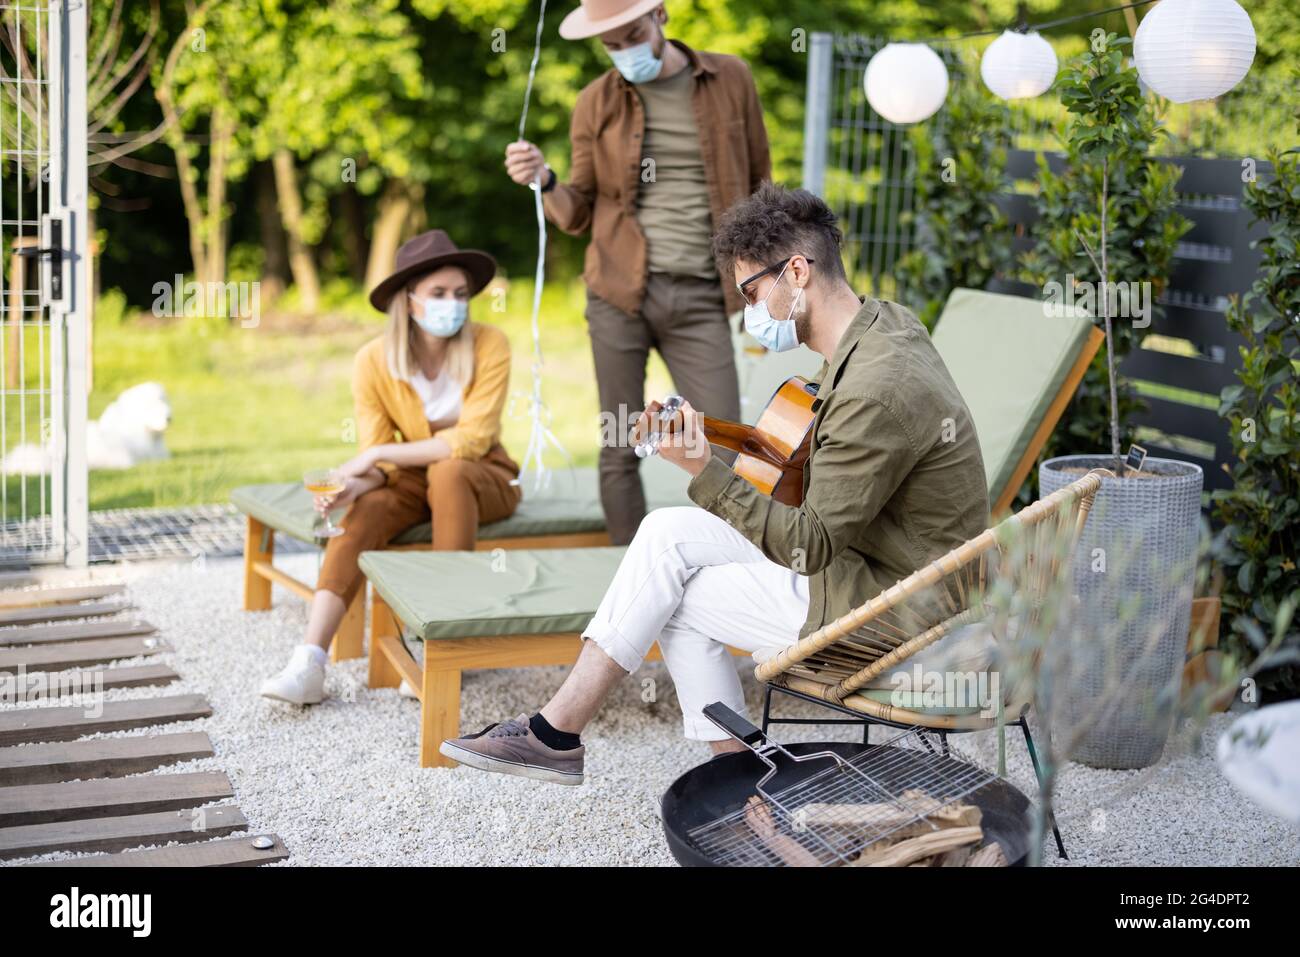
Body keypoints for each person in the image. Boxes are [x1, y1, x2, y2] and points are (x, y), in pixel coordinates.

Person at [440, 184, 991, 785]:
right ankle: (560, 733)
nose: (748, 310)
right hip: (875, 559)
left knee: (676, 599)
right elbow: (819, 454)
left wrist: (702, 469)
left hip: (895, 608)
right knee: (666, 533)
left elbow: (809, 543)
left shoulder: (876, 389)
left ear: (798, 272)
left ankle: (731, 775)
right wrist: (713, 440)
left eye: (752, 291)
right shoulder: (883, 325)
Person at [504, 0, 771, 544]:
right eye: (611, 44)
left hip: (703, 294)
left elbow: (761, 182)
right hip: (618, 296)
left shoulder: (731, 78)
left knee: (724, 440)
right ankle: (631, 574)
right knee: (620, 439)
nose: (625, 52)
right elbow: (576, 213)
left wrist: (763, 281)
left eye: (632, 35)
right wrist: (545, 180)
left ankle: (727, 562)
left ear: (662, 17)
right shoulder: (594, 103)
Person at [259, 230, 522, 705]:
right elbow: (378, 453)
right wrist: (353, 483)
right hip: (409, 482)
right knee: (367, 507)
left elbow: (471, 440)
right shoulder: (373, 361)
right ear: (409, 299)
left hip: (486, 477)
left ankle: (439, 643)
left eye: (461, 294)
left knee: (449, 472)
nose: (453, 304)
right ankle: (309, 660)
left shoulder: (490, 344)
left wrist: (375, 457)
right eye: (439, 294)